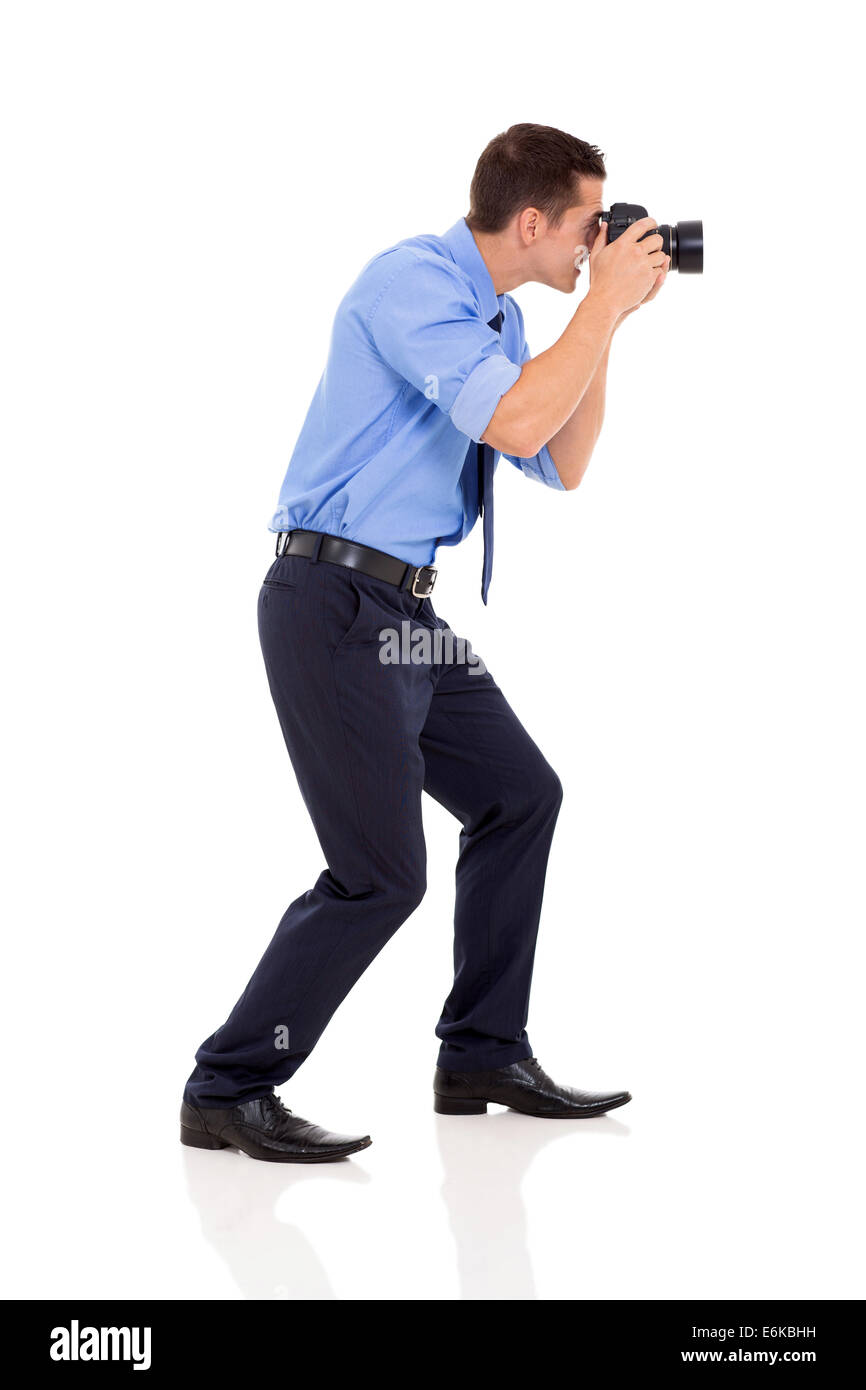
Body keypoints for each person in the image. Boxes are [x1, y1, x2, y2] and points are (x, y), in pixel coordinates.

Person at [180, 123, 670, 1162]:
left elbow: (559, 454)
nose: (598, 241)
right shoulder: (411, 282)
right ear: (531, 220)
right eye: (589, 223)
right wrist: (595, 307)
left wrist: (609, 323)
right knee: (377, 873)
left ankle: (481, 1051)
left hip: (404, 623)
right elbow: (514, 425)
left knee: (518, 794)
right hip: (330, 602)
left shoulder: (492, 321)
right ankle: (228, 1083)